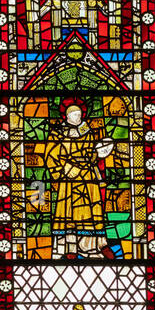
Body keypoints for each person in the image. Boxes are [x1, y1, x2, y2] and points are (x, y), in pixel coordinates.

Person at [46, 97, 116, 258]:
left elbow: (92, 152)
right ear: (67, 116)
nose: (78, 117)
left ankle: (94, 246)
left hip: (87, 176)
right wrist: (67, 168)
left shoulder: (88, 132)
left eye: (79, 114)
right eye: (74, 114)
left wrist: (91, 159)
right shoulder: (57, 133)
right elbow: (50, 155)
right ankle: (69, 248)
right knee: (69, 213)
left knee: (92, 212)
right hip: (69, 178)